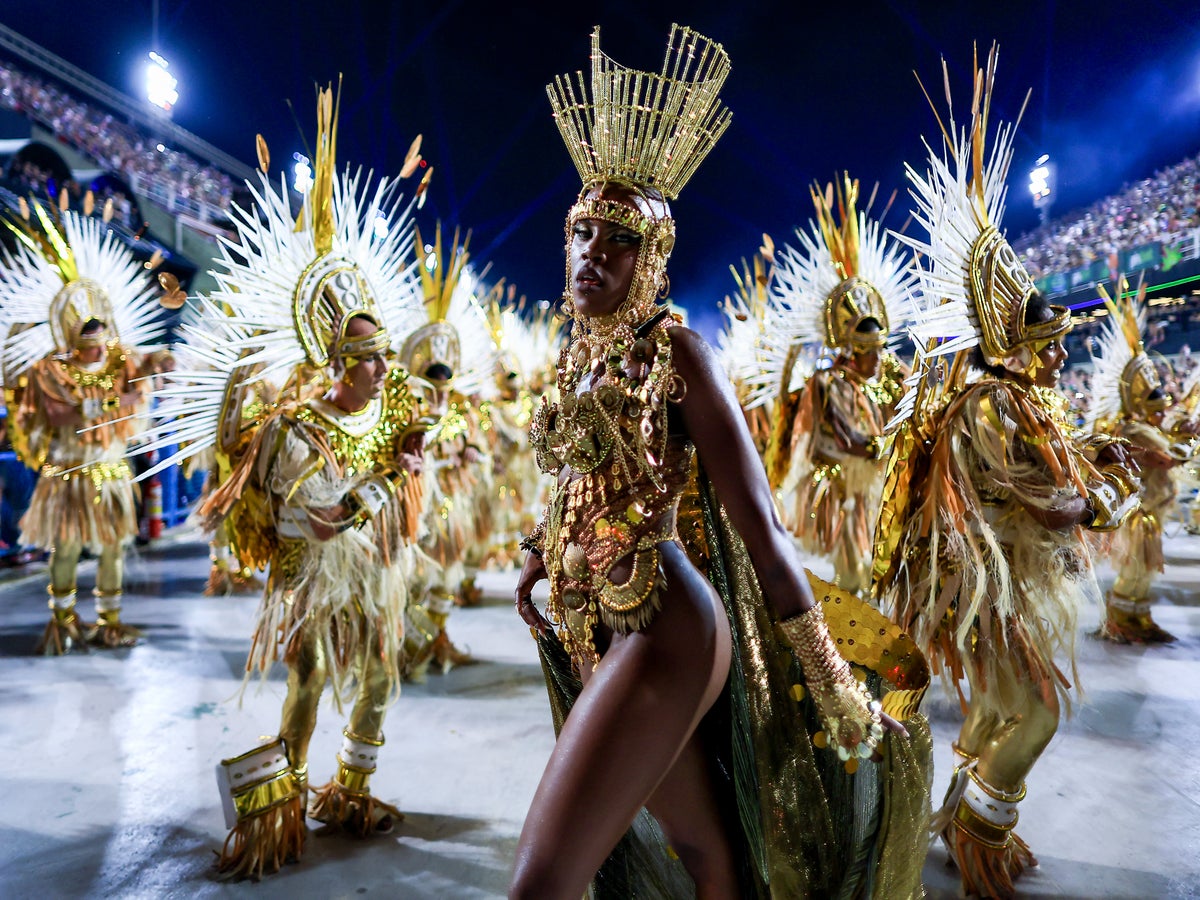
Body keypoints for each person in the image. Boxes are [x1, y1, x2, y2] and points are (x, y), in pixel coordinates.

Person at [513, 26, 928, 899]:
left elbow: (764, 530)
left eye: (619, 237)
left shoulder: (678, 354)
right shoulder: (580, 356)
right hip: (596, 621)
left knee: (541, 878)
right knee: (705, 852)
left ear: (653, 258)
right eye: (582, 230)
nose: (593, 250)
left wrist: (831, 679)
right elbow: (589, 485)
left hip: (663, 622)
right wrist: (539, 550)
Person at [139, 86, 431, 878]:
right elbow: (320, 518)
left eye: (385, 355)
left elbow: (400, 476)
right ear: (337, 362)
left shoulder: (387, 408)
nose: (384, 368)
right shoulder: (295, 428)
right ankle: (286, 799)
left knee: (380, 678)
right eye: (369, 359)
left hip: (373, 575)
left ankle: (352, 791)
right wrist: (390, 478)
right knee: (308, 679)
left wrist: (411, 467)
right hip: (315, 576)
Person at [875, 49, 1141, 899]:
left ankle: (961, 820)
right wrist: (1102, 499)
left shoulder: (1007, 396)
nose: (1058, 353)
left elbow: (1047, 472)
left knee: (999, 710)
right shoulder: (989, 402)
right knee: (1036, 713)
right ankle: (977, 838)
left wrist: (1096, 465)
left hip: (1000, 583)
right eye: (1045, 341)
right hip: (983, 588)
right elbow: (1049, 501)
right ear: (1008, 339)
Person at [0, 201, 167, 653]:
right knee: (68, 548)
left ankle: (109, 621)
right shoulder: (49, 370)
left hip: (111, 471)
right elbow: (59, 415)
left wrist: (159, 361)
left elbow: (147, 369)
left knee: (114, 546)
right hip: (69, 474)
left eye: (101, 329)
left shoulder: (122, 360)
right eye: (88, 331)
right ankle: (63, 622)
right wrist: (113, 403)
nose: (97, 340)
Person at [763, 176, 916, 598]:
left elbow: (913, 410)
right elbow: (848, 439)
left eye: (880, 349)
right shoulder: (829, 383)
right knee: (856, 554)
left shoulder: (894, 372)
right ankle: (855, 605)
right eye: (868, 351)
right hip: (849, 482)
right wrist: (885, 446)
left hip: (888, 477)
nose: (877, 358)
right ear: (850, 347)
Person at [1087, 280, 1196, 643]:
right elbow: (1167, 459)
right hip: (1138, 515)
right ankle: (1118, 622)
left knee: (1144, 573)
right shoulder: (1134, 430)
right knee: (1134, 571)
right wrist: (1190, 440)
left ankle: (1138, 619)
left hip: (1151, 514)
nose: (1162, 408)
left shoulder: (1149, 427)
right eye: (1156, 402)